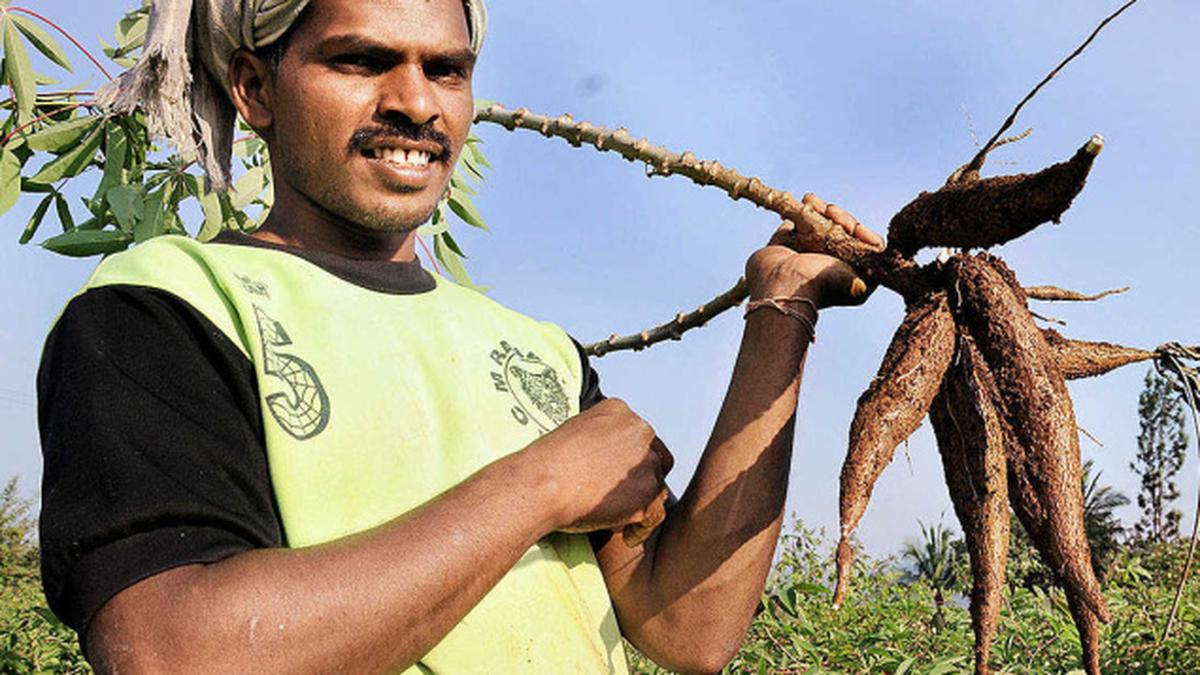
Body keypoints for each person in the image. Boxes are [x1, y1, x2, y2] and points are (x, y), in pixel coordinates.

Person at [36, 0, 884, 672]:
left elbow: (686, 627)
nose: (414, 102)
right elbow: (174, 652)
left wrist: (782, 314)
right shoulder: (171, 305)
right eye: (361, 59)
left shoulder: (535, 352)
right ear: (256, 88)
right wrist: (540, 485)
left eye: (446, 69)